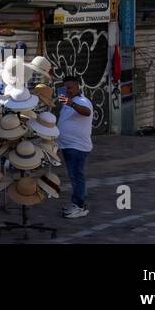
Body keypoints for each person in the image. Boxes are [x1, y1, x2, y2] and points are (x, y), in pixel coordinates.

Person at [57, 75, 93, 218]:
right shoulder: (68, 102)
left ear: (78, 87)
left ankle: (80, 206)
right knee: (74, 176)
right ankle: (77, 204)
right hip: (68, 146)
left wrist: (70, 103)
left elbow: (87, 112)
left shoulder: (83, 101)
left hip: (77, 147)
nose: (68, 91)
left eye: (70, 88)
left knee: (77, 176)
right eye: (65, 88)